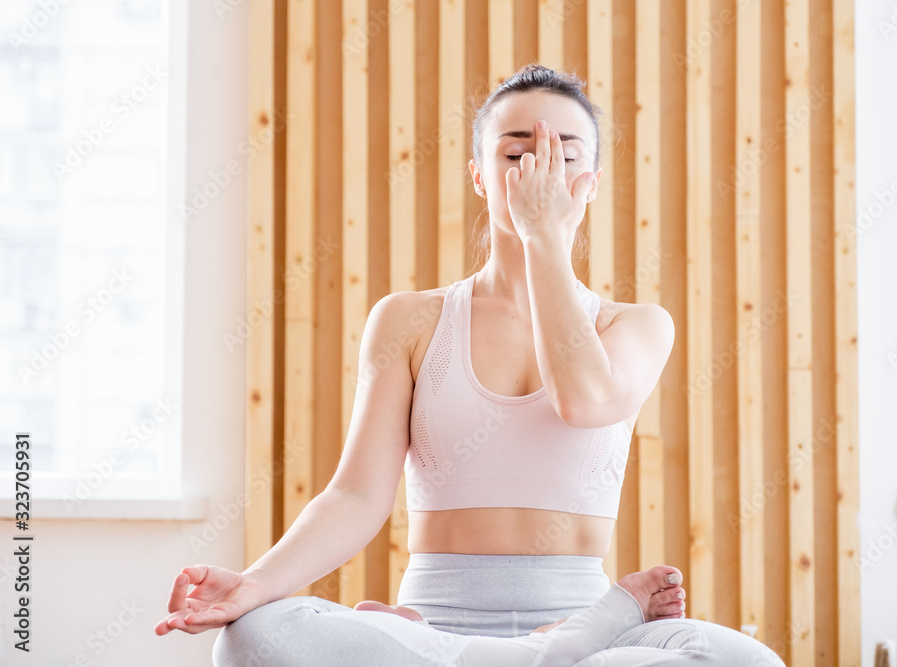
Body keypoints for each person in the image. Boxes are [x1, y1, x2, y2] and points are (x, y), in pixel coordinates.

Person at [155, 64, 784, 667]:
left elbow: (585, 401)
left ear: (587, 183)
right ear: (480, 177)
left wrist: (541, 241)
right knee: (250, 640)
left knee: (742, 660)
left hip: (579, 621)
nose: (537, 170)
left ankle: (548, 650)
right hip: (437, 630)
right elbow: (356, 494)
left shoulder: (636, 324)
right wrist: (254, 586)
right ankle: (542, 658)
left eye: (563, 156)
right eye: (516, 156)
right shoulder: (408, 320)